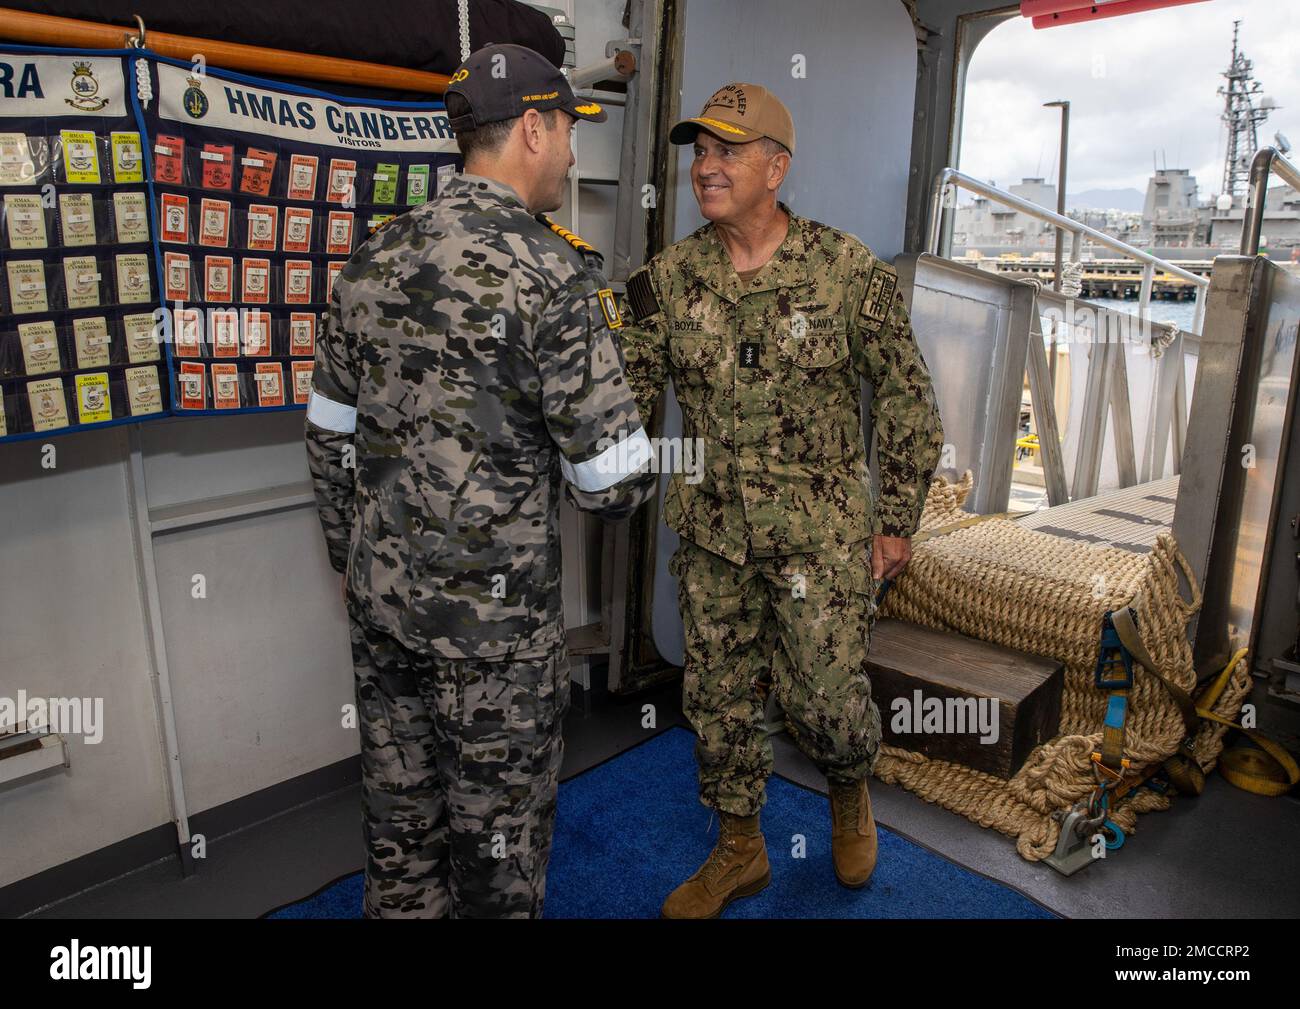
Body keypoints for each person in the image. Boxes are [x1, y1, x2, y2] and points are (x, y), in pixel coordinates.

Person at [305, 43, 656, 918]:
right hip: (495, 642)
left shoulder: (371, 259)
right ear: (532, 129)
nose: (573, 154)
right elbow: (613, 485)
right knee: (496, 858)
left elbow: (326, 436)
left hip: (385, 616)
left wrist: (354, 561)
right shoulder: (551, 277)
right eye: (569, 131)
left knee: (400, 840)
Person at [617, 82, 945, 918]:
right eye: (701, 150)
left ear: (777, 167)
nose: (707, 166)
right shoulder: (670, 277)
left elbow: (908, 398)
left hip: (821, 541)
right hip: (714, 537)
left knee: (828, 703)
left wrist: (896, 519)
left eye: (729, 150)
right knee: (717, 702)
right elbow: (622, 390)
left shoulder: (845, 271)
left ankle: (847, 787)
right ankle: (741, 849)